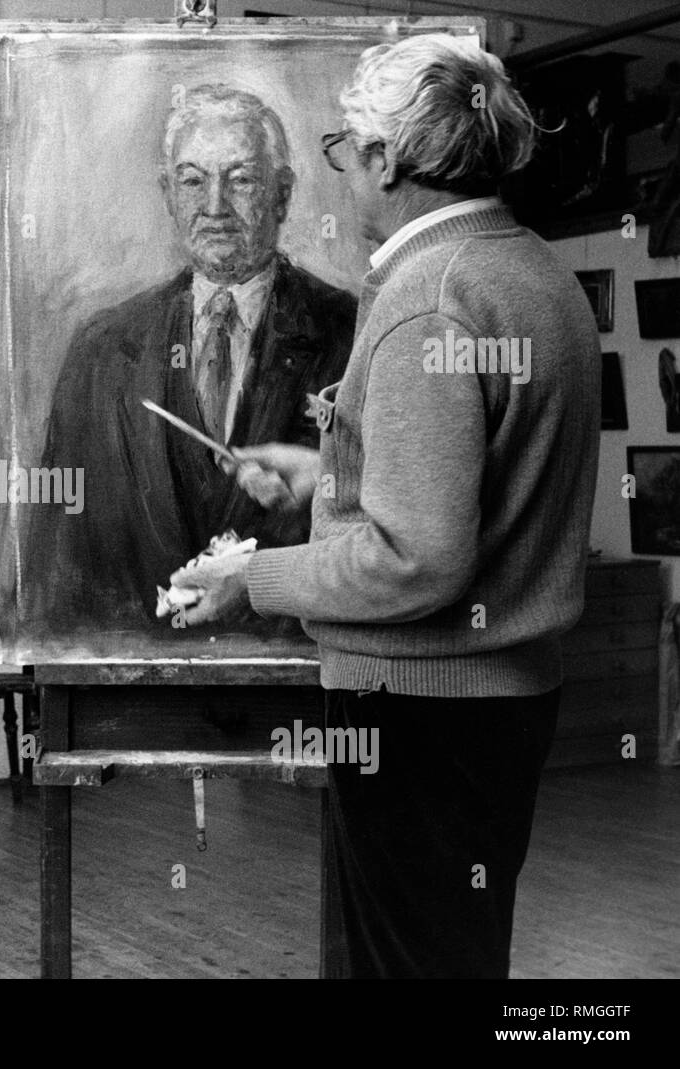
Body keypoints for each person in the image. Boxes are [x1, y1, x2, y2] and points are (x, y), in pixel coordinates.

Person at [169, 35, 600, 978]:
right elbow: (469, 480)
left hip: (420, 717)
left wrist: (255, 577)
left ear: (390, 159)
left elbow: (421, 559)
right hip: (504, 704)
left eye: (344, 151)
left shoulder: (427, 299)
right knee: (460, 958)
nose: (343, 177)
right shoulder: (537, 275)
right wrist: (326, 465)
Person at [28, 85, 356, 635]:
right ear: (167, 193)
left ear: (281, 194)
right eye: (192, 180)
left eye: (242, 180)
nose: (214, 207)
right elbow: (58, 556)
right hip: (131, 682)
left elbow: (383, 528)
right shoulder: (102, 349)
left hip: (296, 680)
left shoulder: (351, 330)